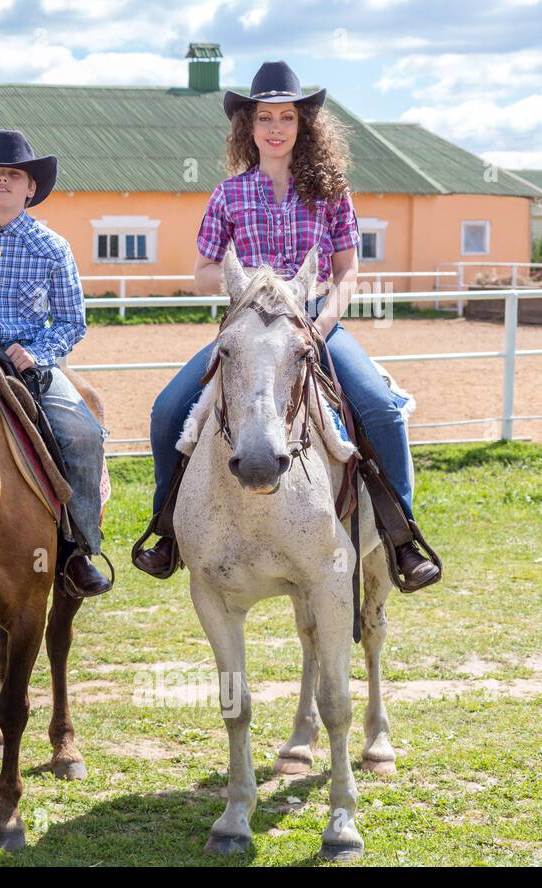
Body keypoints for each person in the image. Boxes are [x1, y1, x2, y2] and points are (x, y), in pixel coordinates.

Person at [132, 60, 440, 591]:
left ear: (303, 126)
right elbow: (202, 272)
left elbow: (348, 273)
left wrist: (321, 324)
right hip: (248, 333)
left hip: (314, 324)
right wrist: (242, 285)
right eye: (264, 118)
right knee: (165, 411)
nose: (275, 128)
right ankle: (168, 530)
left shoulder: (331, 190)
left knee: (383, 411)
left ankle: (401, 535)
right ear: (248, 127)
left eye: (286, 118)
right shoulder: (229, 194)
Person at [0, 129, 113, 598]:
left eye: (14, 176)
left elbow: (72, 321)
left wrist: (38, 352)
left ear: (31, 188)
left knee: (83, 434)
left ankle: (77, 548)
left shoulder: (53, 247)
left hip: (29, 365)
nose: (3, 182)